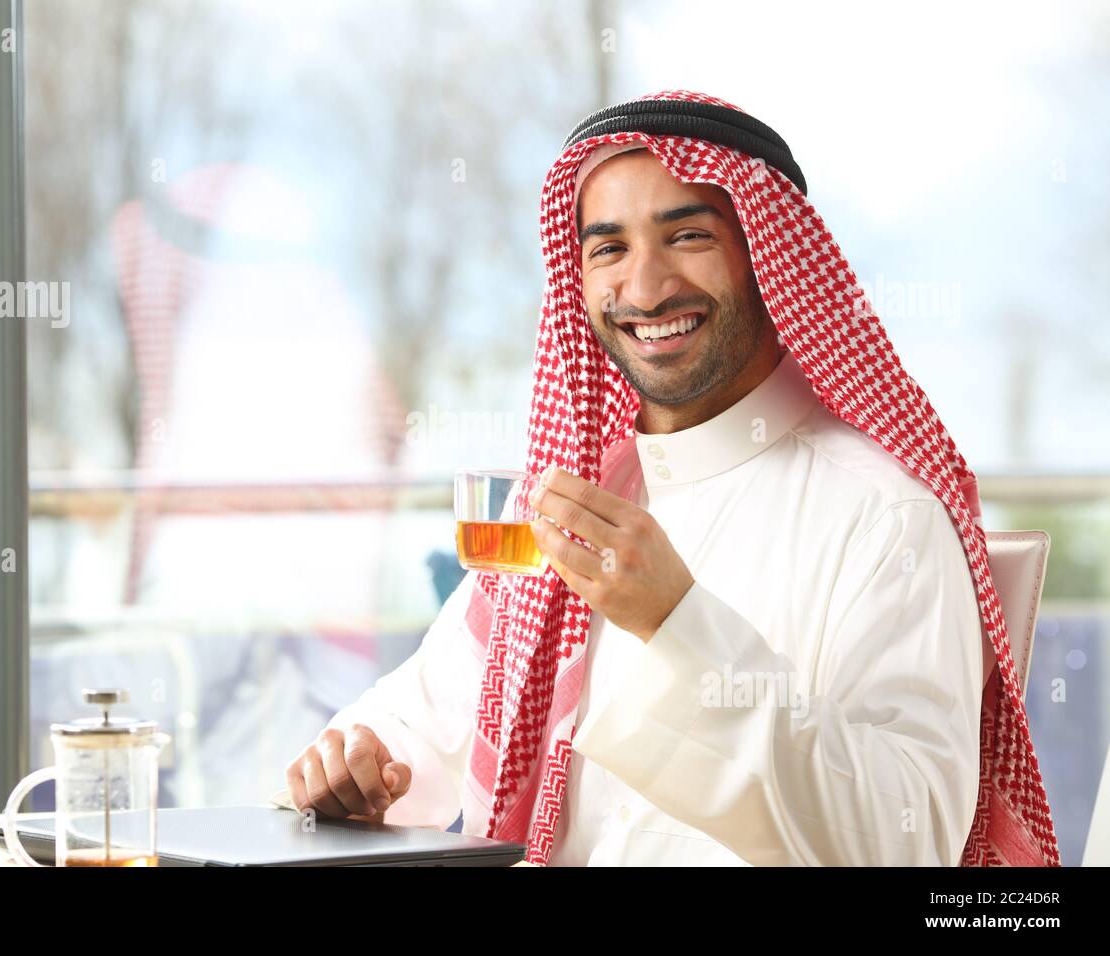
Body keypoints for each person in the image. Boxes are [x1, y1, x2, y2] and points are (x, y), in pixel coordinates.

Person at [282, 90, 1061, 867]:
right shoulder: (571, 499)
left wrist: (676, 621)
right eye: (609, 249)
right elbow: (417, 725)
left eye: (687, 236)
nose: (646, 289)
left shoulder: (885, 514)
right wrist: (350, 770)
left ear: (770, 255)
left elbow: (907, 836)